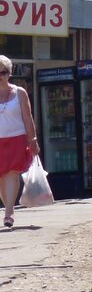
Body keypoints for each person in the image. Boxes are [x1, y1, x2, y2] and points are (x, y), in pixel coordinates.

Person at [0, 55, 38, 229]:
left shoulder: (19, 93)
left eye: (4, 72)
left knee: (12, 174)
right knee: (1, 179)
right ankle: (9, 205)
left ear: (10, 73)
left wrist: (33, 140)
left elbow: (28, 119)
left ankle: (9, 211)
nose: (0, 75)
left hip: (17, 139)